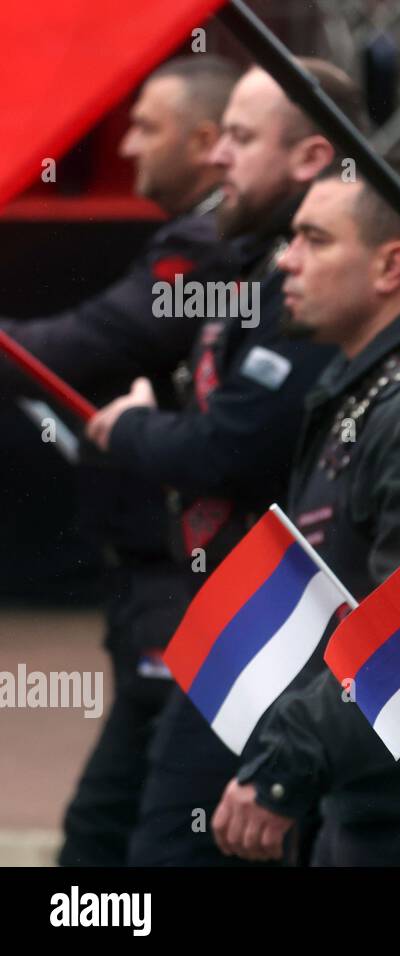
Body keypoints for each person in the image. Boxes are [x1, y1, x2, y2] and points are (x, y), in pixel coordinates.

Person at [85, 59, 361, 866]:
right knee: (113, 841)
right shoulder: (236, 257)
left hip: (278, 625)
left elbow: (233, 446)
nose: (216, 157)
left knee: (164, 850)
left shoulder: (306, 290)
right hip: (219, 614)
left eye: (239, 138)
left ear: (312, 157)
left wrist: (131, 429)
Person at [208, 159, 400, 865]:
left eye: (314, 239)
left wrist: (290, 763)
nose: (287, 260)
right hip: (372, 796)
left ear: (390, 266)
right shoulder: (379, 383)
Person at [0, 55, 239, 866]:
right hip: (158, 581)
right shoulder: (203, 239)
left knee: (127, 833)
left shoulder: (208, 247)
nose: (128, 147)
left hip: (184, 588)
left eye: (146, 126)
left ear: (208, 141)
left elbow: (75, 349)